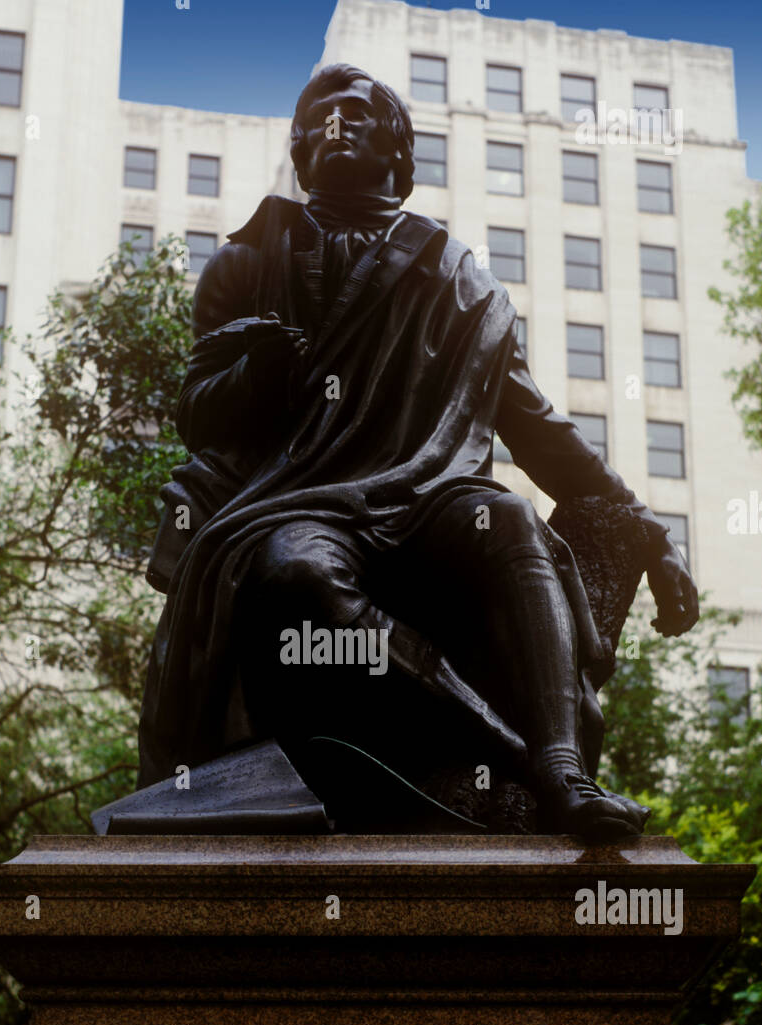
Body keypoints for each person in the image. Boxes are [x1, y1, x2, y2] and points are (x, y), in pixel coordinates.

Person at [138, 64, 698, 840]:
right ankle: (514, 751)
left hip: (426, 499)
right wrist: (256, 375)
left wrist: (648, 530)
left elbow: (533, 425)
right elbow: (199, 420)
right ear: (300, 147)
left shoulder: (456, 279)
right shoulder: (244, 264)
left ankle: (563, 770)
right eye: (321, 112)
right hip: (295, 504)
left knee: (508, 521)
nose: (339, 120)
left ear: (398, 155)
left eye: (361, 111)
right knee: (293, 572)